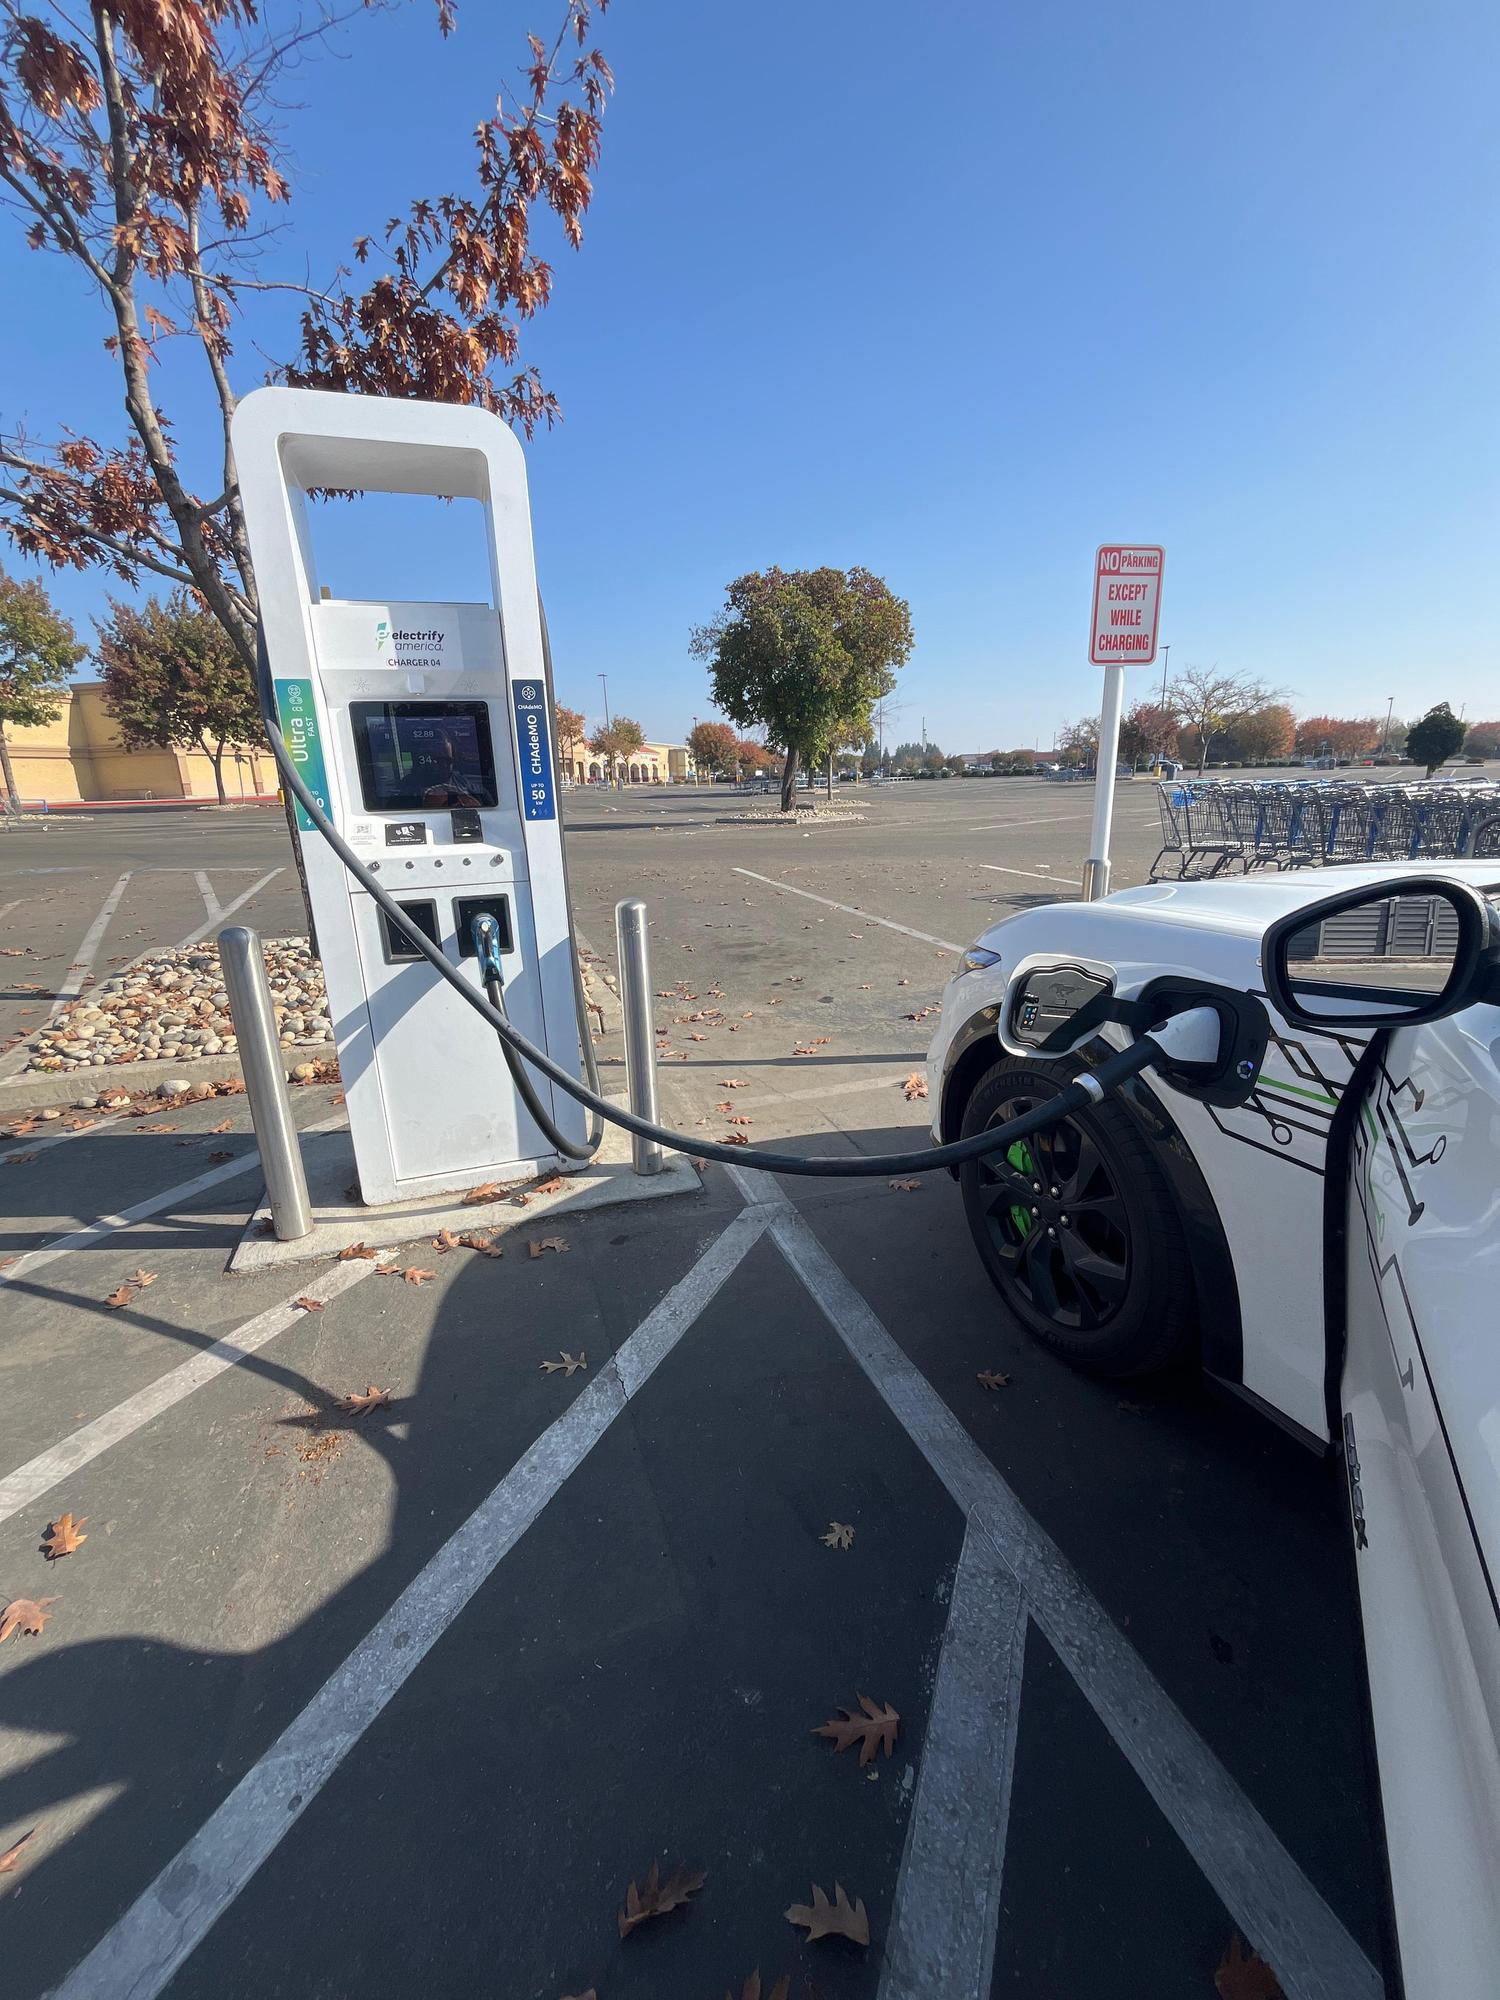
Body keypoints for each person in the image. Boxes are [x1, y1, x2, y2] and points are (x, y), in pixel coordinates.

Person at [408, 727, 481, 807]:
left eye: (448, 760)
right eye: (438, 759)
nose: (443, 765)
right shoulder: (407, 789)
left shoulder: (468, 786)